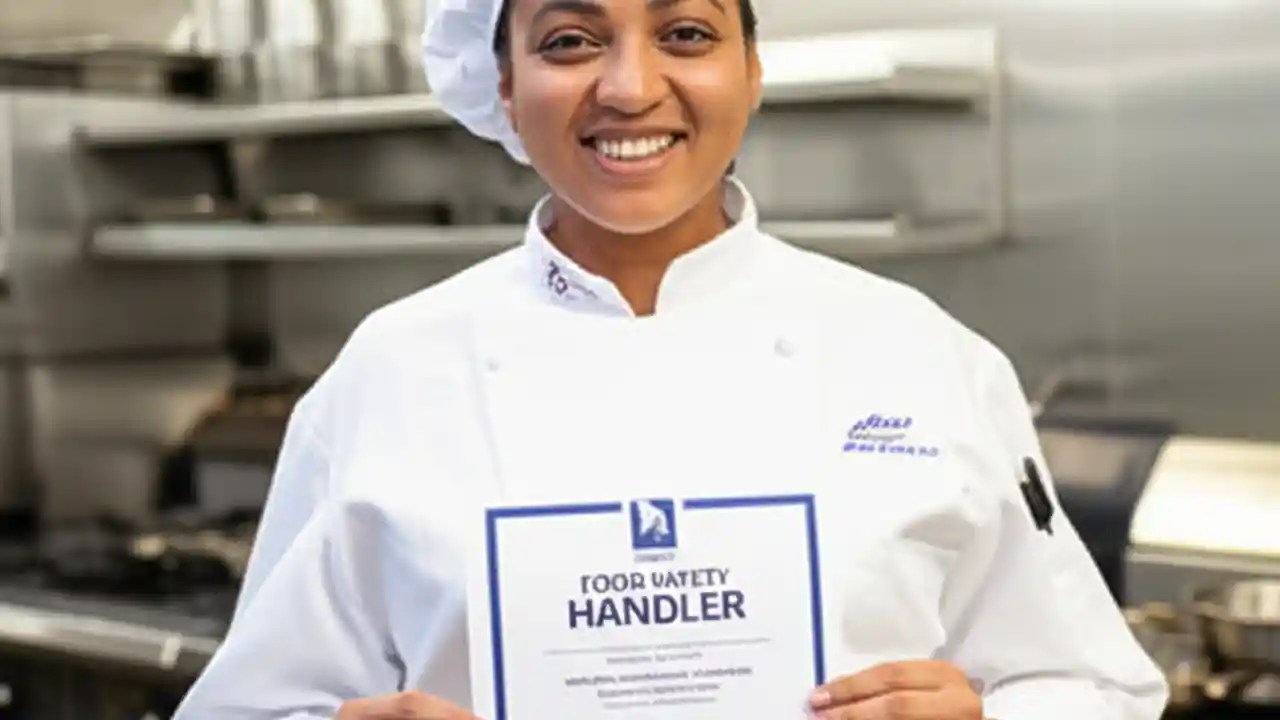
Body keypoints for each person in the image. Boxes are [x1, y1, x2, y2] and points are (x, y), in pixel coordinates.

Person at [174, 0, 1170, 717]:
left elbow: (1096, 688)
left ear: (751, 70)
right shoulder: (389, 372)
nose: (629, 87)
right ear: (504, 85)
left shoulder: (921, 352)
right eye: (570, 41)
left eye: (685, 32)